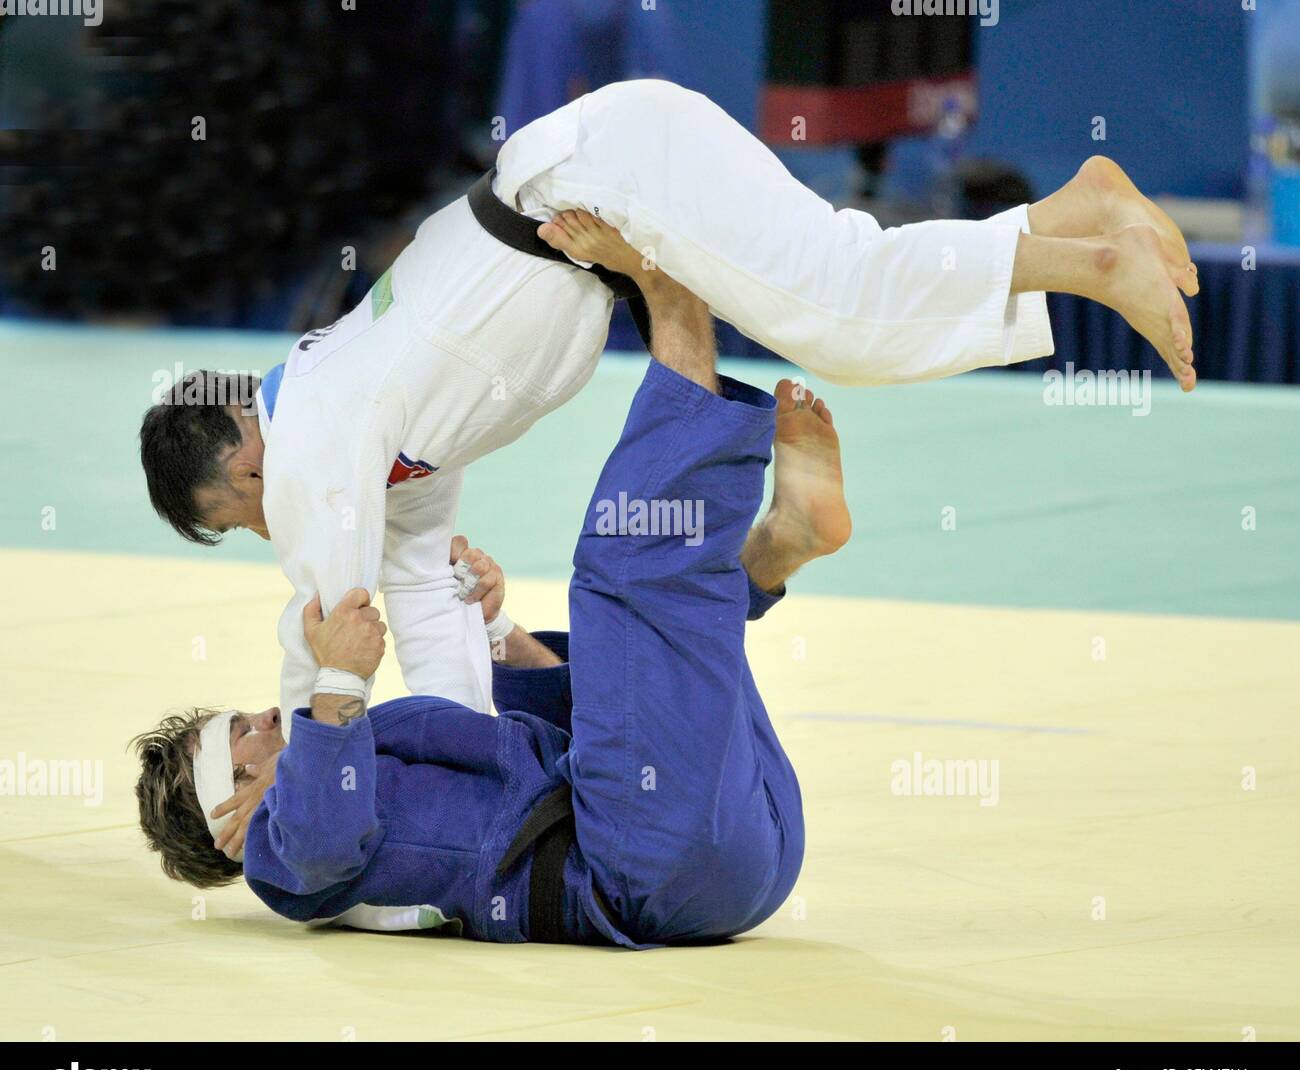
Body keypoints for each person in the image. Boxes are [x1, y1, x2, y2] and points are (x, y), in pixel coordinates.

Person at [138, 78, 1196, 745]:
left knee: (840, 314)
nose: (271, 526)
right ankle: (1071, 218)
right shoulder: (362, 425)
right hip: (604, 166)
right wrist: (468, 766)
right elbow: (423, 602)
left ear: (239, 460)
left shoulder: (313, 427)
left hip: (601, 174)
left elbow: (329, 630)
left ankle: (1088, 259)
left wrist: (295, 783)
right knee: (842, 290)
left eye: (244, 518)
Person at [133, 245, 850, 946]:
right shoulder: (287, 863)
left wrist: (500, 632)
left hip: (742, 848)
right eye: (241, 732)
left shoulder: (363, 754)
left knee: (641, 651)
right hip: (644, 862)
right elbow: (320, 840)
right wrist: (337, 681)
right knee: (623, 563)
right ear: (233, 799)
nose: (263, 712)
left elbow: (581, 713)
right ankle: (669, 279)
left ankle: (770, 555)